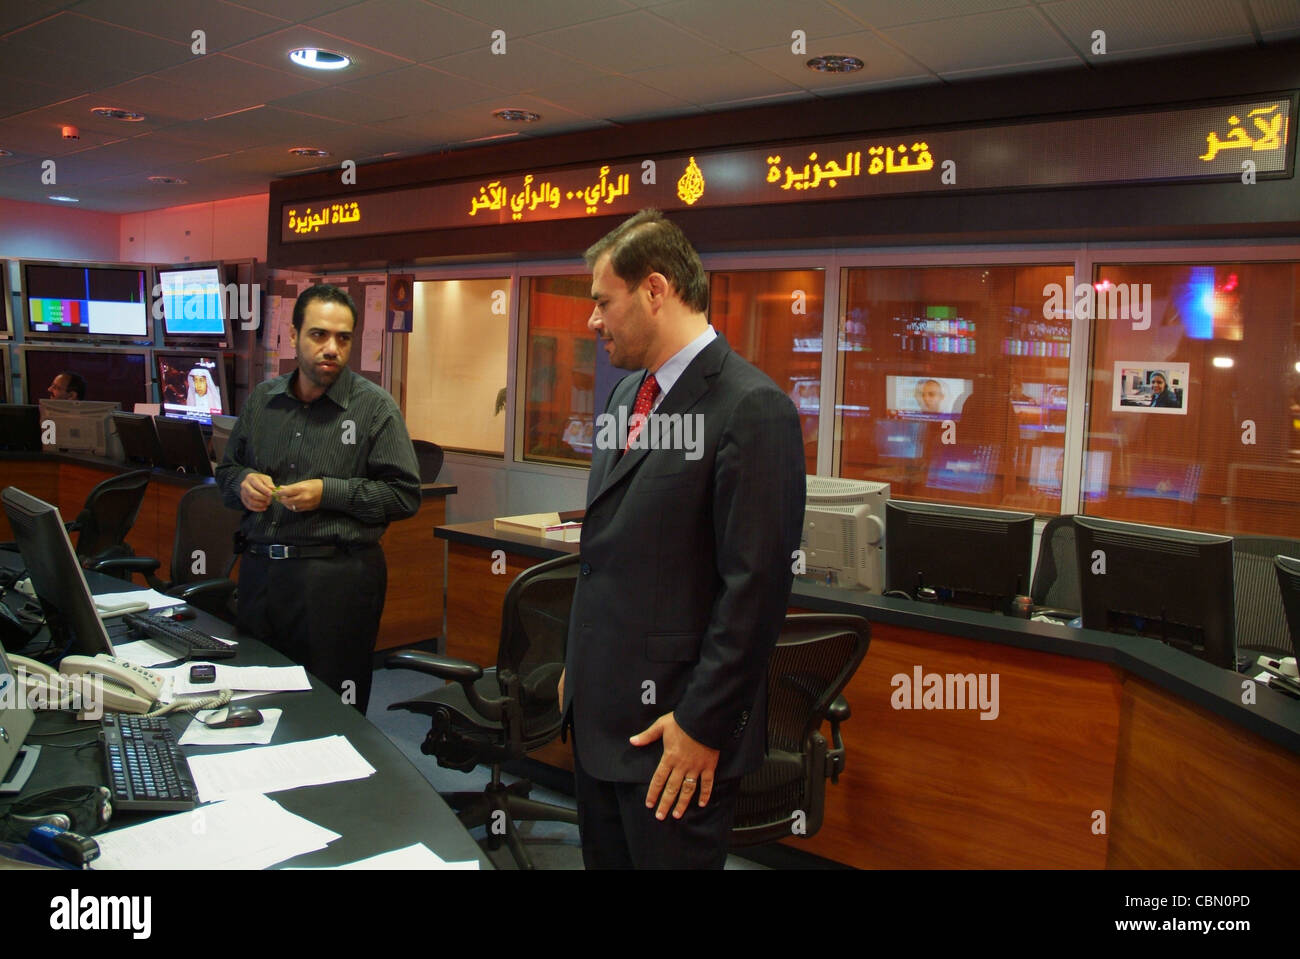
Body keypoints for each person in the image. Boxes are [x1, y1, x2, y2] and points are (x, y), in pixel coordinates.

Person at [559, 210, 805, 869]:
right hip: (601, 723)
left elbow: (754, 594)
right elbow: (604, 554)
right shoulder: (623, 400)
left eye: (602, 302)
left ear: (656, 291)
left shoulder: (751, 408)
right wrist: (576, 672)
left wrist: (703, 725)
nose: (592, 321)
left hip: (676, 741)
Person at [216, 284, 420, 714]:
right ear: (293, 336)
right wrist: (243, 483)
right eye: (318, 335)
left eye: (343, 338)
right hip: (260, 573)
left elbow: (403, 496)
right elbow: (226, 473)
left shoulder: (373, 408)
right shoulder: (263, 401)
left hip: (336, 578)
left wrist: (329, 493)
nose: (332, 348)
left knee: (330, 710)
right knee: (255, 699)